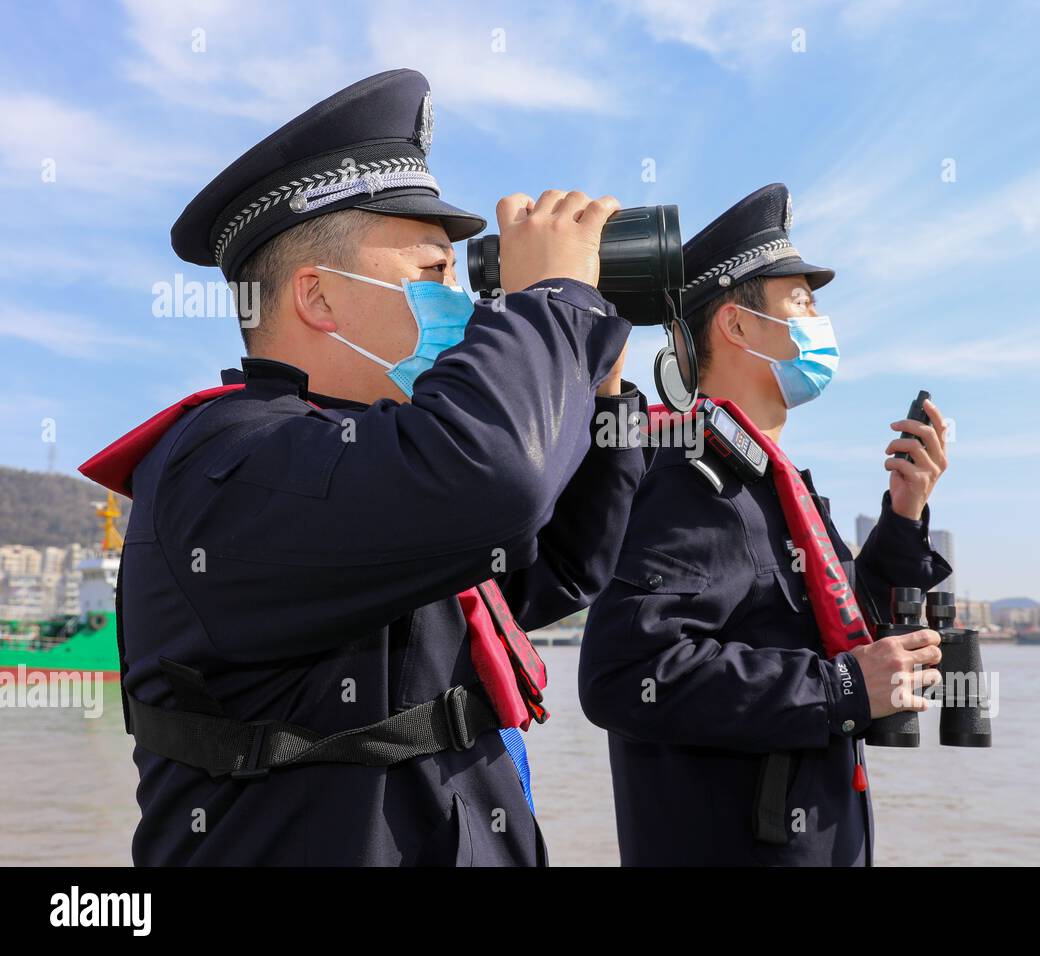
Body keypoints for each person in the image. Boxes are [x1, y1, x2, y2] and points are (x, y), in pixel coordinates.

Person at [79, 69, 647, 865]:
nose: (463, 301)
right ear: (318, 297)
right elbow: (497, 482)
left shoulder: (377, 464)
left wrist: (600, 380)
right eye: (432, 274)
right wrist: (551, 303)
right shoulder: (226, 461)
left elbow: (561, 567)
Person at [578, 183, 954, 865]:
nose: (819, 320)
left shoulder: (772, 484)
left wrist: (906, 511)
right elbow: (626, 672)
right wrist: (838, 690)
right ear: (738, 326)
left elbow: (847, 628)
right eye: (802, 301)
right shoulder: (691, 480)